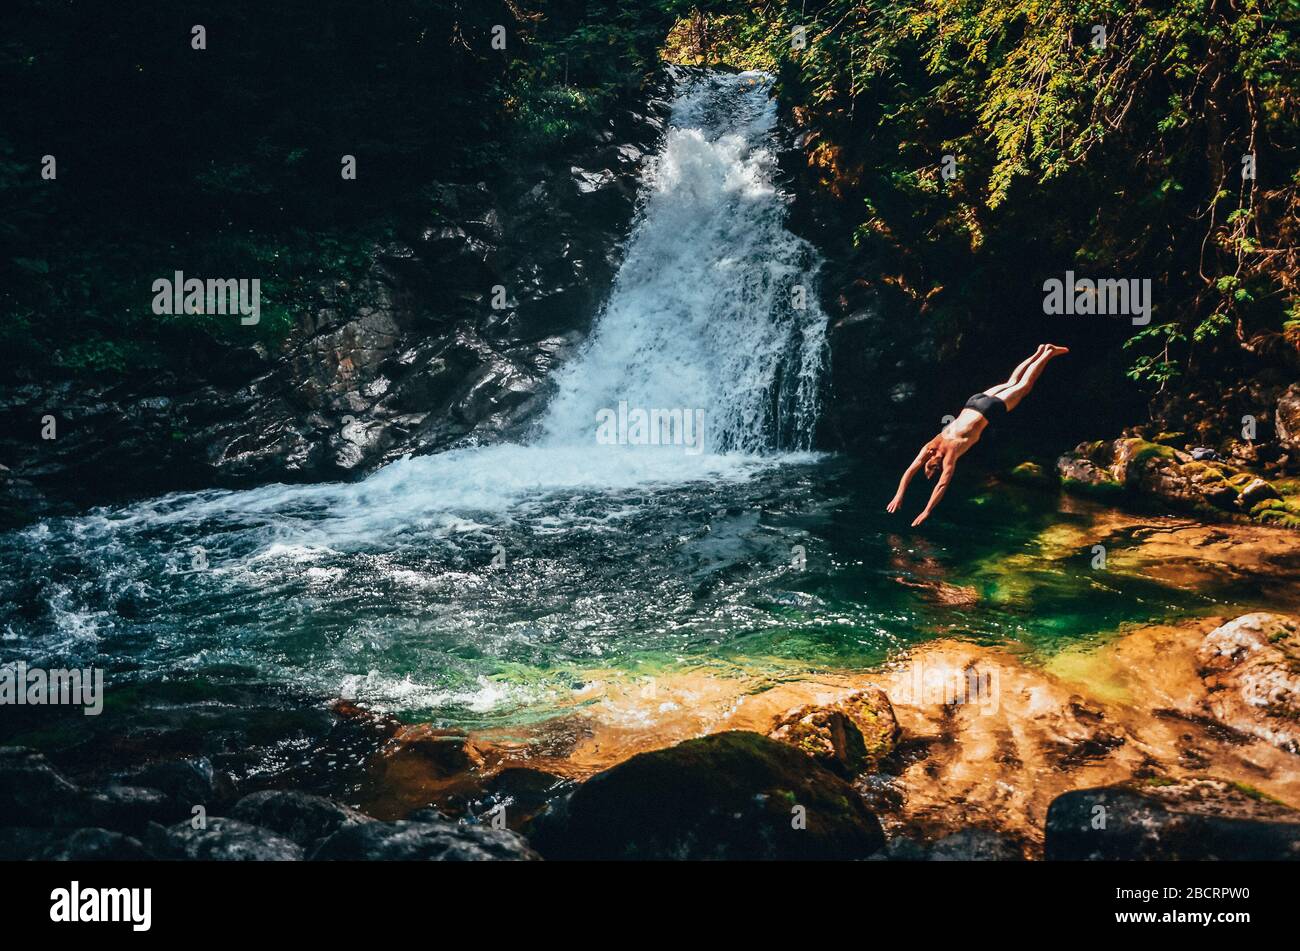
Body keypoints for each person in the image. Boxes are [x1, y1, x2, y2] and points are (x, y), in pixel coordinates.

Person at [887, 344, 1069, 526]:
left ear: (938, 466)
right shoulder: (931, 446)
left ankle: (1048, 354)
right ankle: (1039, 351)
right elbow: (909, 471)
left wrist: (927, 511)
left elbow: (941, 485)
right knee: (1010, 382)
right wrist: (899, 494)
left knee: (1024, 385)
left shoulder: (950, 455)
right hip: (972, 402)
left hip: (987, 411)